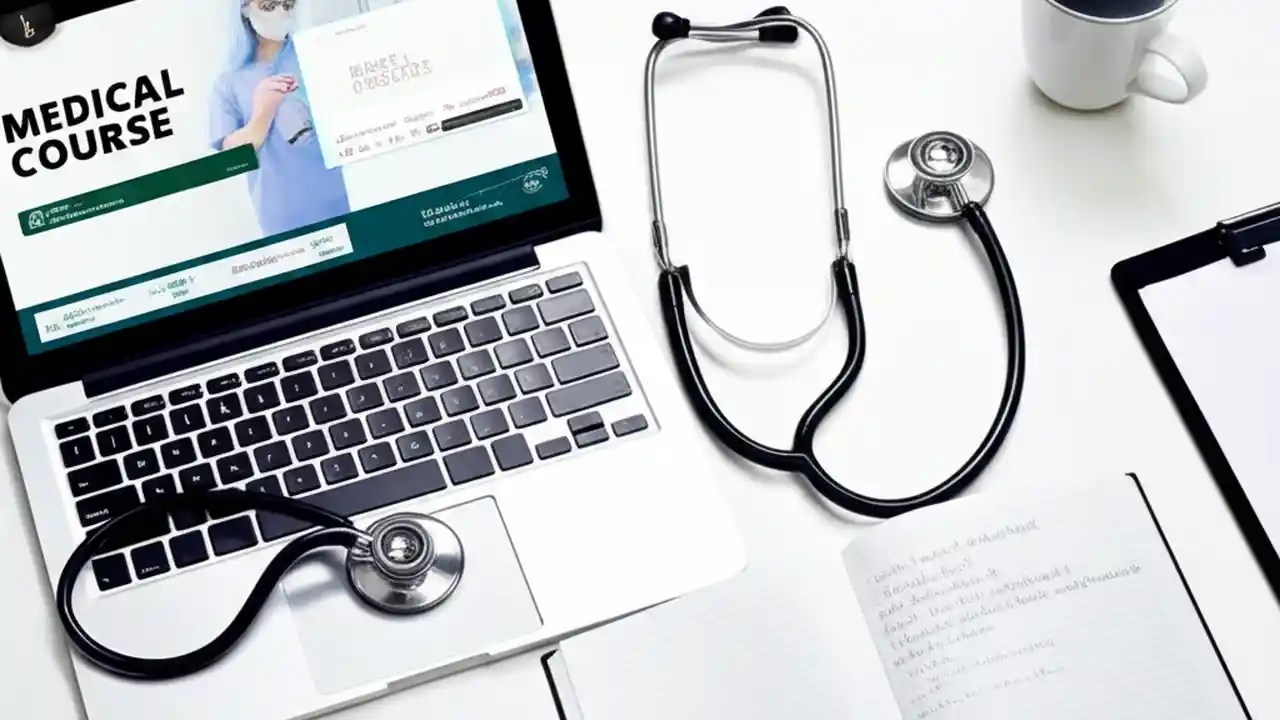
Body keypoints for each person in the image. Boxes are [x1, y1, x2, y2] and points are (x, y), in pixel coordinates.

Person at [212, 0, 350, 237]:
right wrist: (262, 114)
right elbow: (230, 161)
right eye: (269, 6)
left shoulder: (316, 53)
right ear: (244, 9)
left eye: (287, 5)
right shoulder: (229, 83)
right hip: (282, 218)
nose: (280, 14)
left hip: (343, 199)